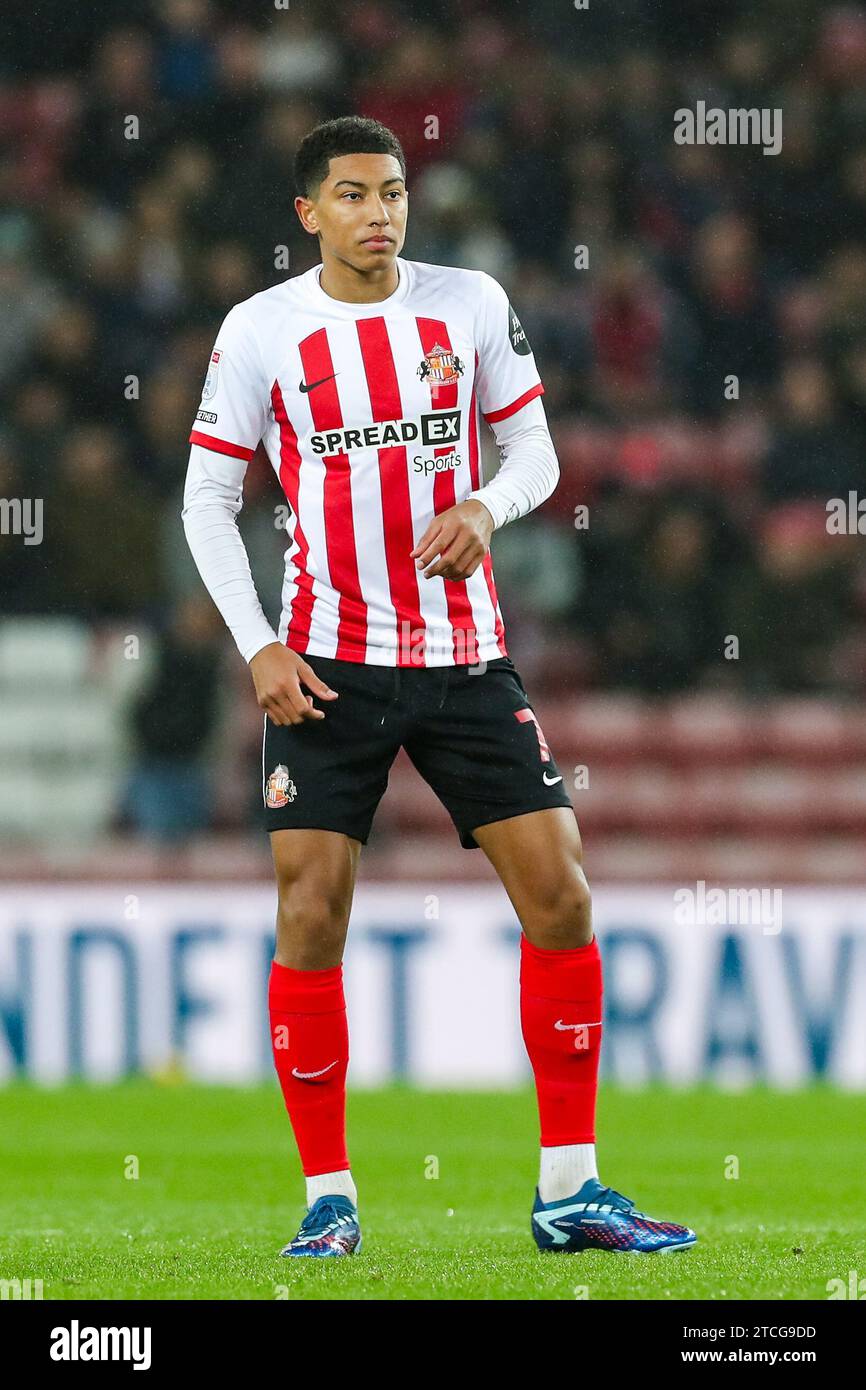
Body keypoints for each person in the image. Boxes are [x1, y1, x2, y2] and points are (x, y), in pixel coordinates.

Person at [181, 116, 696, 1258]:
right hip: (324, 661)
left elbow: (539, 456)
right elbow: (206, 503)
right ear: (307, 213)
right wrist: (257, 644)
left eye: (395, 191)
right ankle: (329, 1196)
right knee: (310, 915)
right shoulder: (261, 330)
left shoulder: (466, 303)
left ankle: (569, 1188)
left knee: (559, 893)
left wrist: (482, 507)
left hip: (461, 655)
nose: (380, 213)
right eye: (354, 195)